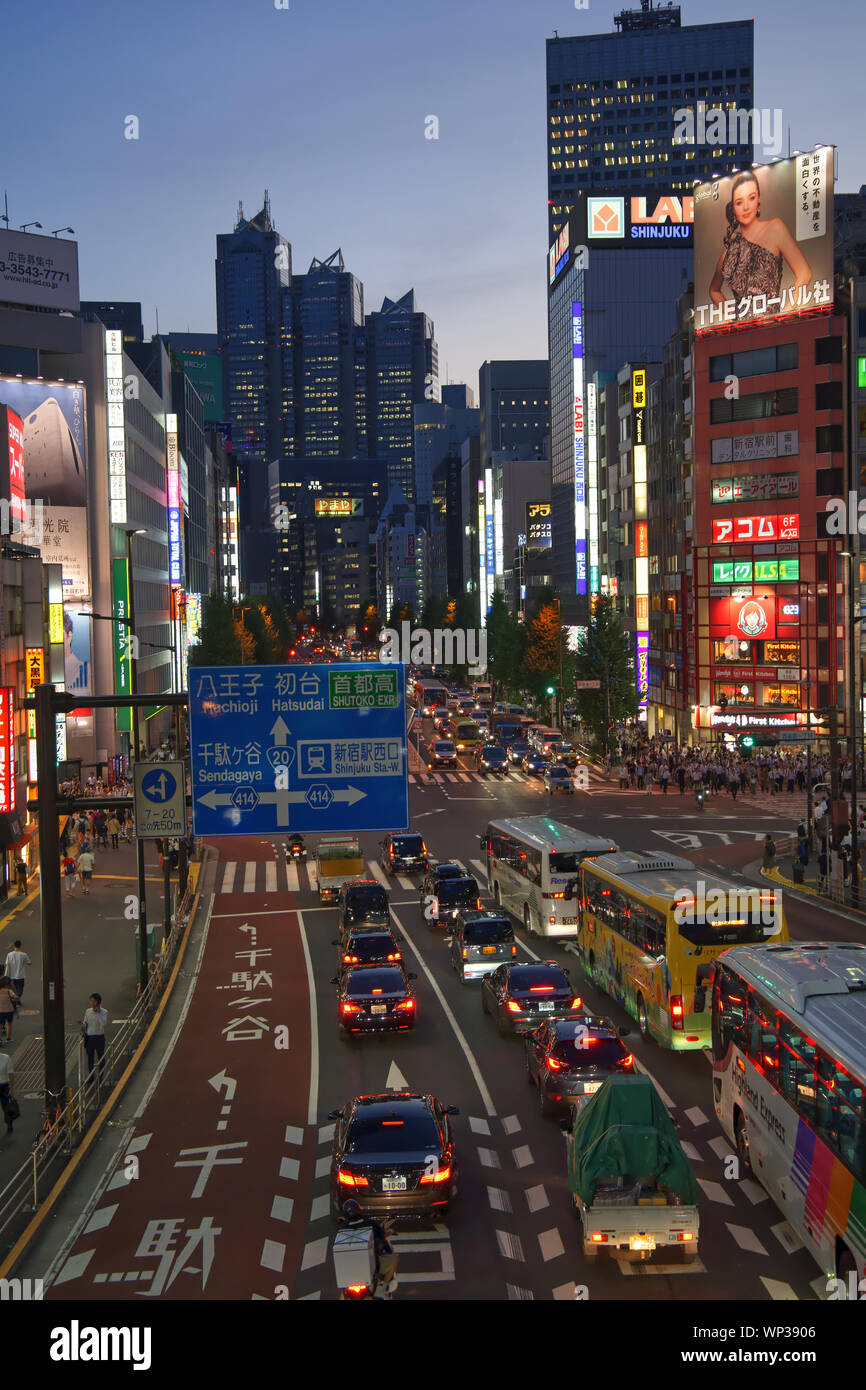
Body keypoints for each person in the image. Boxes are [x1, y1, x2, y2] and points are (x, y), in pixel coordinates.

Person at [708, 171, 813, 315]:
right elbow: (714, 290)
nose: (745, 207)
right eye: (739, 202)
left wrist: (787, 313)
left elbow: (804, 272)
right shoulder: (730, 252)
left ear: (758, 199)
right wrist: (731, 318)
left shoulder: (775, 228)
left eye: (751, 198)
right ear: (733, 207)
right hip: (742, 332)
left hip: (773, 329)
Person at [339, 1198, 397, 1291]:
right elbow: (381, 1235)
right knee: (394, 1259)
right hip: (372, 1265)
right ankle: (384, 1286)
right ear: (359, 1210)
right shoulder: (370, 1224)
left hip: (350, 1269)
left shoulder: (343, 1230)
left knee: (343, 1293)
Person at [82, 993, 108, 1076]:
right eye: (91, 1001)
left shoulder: (104, 1012)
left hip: (99, 1037)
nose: (92, 1003)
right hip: (90, 1037)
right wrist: (82, 1024)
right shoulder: (88, 1011)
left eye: (94, 1001)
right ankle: (91, 1076)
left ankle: (101, 1075)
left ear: (98, 1002)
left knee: (100, 1058)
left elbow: (103, 1024)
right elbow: (85, 1022)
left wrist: (98, 1013)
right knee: (90, 1058)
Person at [0, 1050, 15, 1136]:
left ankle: (9, 1123)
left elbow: (10, 1074)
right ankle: (9, 1124)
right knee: (5, 1106)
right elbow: (10, 1074)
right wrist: (11, 1088)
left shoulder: (6, 1058)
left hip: (4, 1087)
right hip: (4, 1087)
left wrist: (11, 1088)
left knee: (5, 1106)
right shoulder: (6, 1057)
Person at [0, 978, 18, 1043]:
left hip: (0, 1011)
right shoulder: (9, 991)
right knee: (9, 1024)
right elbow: (16, 997)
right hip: (9, 1010)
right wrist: (14, 1001)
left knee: (1, 1025)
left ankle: (0, 1039)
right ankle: (8, 1038)